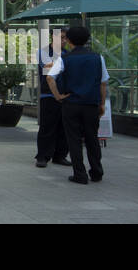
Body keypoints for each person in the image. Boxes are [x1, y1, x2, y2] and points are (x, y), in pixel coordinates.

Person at [46, 26, 107, 184]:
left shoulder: (65, 59)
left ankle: (80, 174)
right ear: (87, 40)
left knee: (73, 139)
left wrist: (58, 96)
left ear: (69, 40)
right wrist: (101, 104)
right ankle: (96, 172)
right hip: (91, 104)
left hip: (71, 103)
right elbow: (103, 84)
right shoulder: (97, 58)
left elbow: (50, 78)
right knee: (92, 138)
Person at [34, 28, 71, 169]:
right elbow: (48, 68)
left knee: (64, 128)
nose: (63, 41)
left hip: (66, 95)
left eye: (65, 38)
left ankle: (60, 155)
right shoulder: (43, 52)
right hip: (48, 95)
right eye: (61, 37)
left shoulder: (68, 54)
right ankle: (42, 156)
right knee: (47, 127)